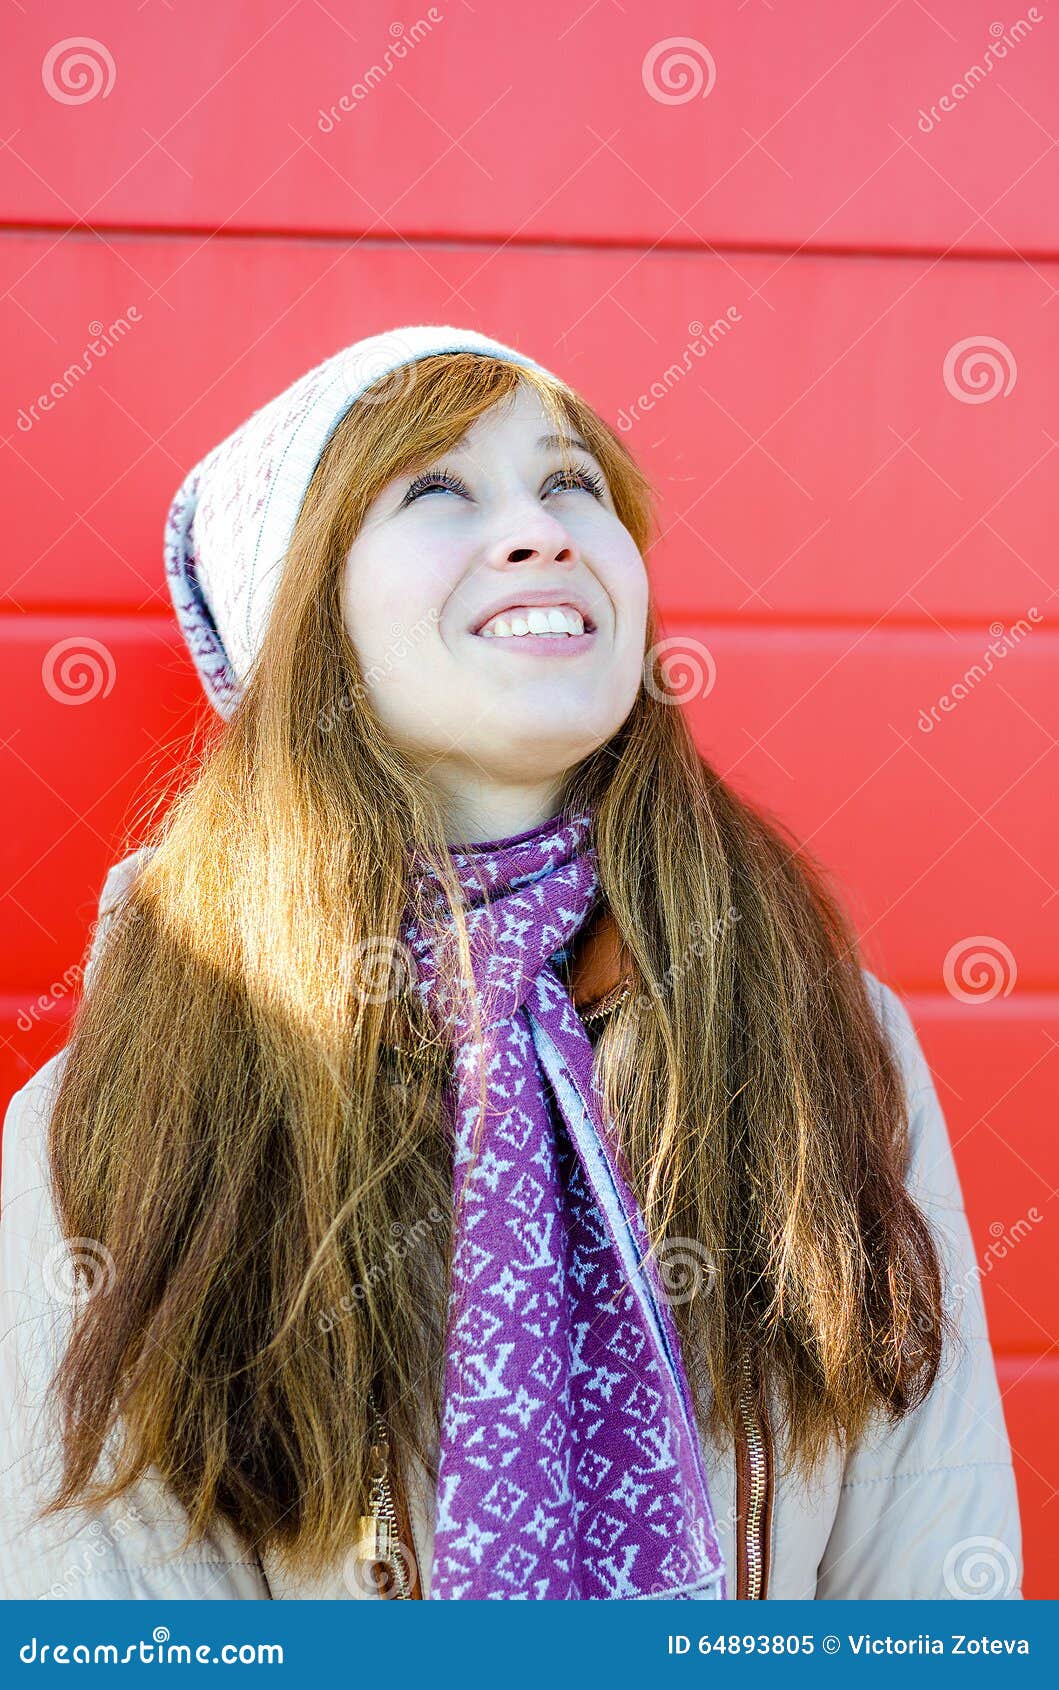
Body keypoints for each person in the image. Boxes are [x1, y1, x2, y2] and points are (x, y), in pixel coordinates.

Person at [0, 326, 1023, 1600]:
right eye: (436, 489)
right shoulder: (118, 1114)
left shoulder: (821, 1029)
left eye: (571, 485)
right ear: (299, 618)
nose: (542, 532)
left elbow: (931, 1553)